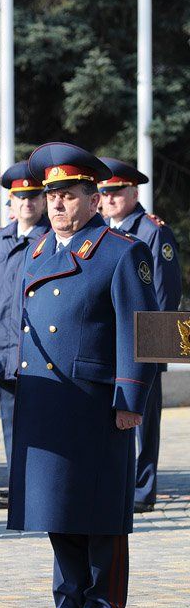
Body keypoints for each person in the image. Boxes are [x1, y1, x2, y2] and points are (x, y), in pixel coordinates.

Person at [13, 142, 158, 608]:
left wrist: (130, 399)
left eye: (69, 195)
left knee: (99, 510)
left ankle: (103, 604)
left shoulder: (121, 252)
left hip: (96, 400)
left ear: (94, 200)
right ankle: (68, 599)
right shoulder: (37, 251)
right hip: (49, 397)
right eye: (52, 195)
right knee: (58, 505)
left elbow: (138, 330)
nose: (56, 204)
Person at [98, 157, 182, 514]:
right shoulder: (101, 228)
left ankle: (143, 489)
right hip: (110, 343)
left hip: (142, 343)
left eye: (117, 192)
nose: (109, 198)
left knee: (144, 421)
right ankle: (118, 483)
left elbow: (164, 291)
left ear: (133, 192)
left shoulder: (152, 230)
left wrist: (152, 346)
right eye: (104, 192)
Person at [0, 162, 49, 509]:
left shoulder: (52, 239)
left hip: (40, 352)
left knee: (44, 422)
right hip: (3, 350)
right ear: (11, 201)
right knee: (10, 423)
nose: (27, 203)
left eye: (33, 196)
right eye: (20, 197)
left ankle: (41, 485)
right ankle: (18, 482)